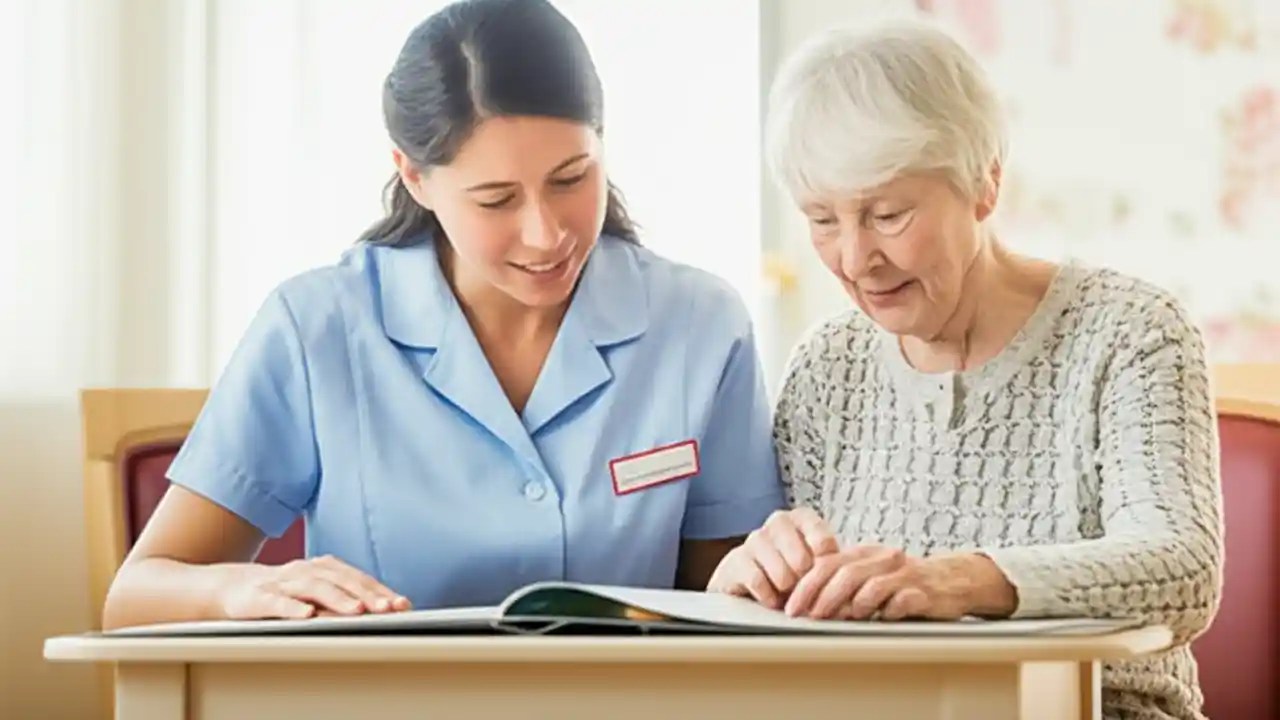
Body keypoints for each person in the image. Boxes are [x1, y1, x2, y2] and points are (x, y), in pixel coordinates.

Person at [103, 0, 784, 630]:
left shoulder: (701, 326)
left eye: (572, 179)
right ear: (415, 178)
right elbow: (134, 598)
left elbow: (723, 604)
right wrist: (239, 591)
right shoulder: (316, 328)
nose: (547, 234)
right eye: (495, 200)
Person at [707, 18, 1223, 720]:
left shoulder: (1129, 334)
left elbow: (1181, 570)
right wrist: (745, 579)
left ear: (984, 184)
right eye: (822, 220)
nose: (855, 260)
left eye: (887, 215)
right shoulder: (829, 366)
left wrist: (962, 582)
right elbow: (800, 624)